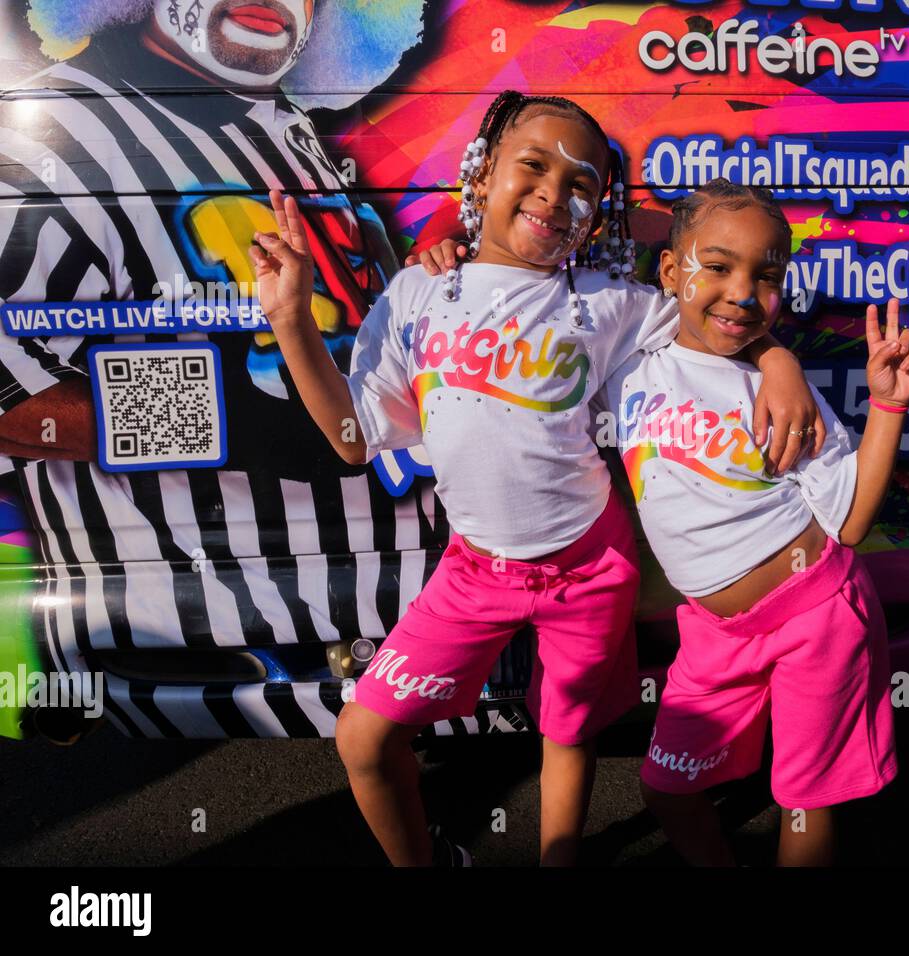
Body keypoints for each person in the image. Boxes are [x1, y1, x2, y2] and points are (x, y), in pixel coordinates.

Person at [250, 92, 825, 866]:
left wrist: (779, 359)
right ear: (483, 174)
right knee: (363, 737)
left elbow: (718, 304)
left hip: (591, 569)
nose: (555, 193)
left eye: (581, 184)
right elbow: (354, 442)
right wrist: (291, 320)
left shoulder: (609, 305)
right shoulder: (419, 294)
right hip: (473, 573)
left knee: (567, 732)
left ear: (597, 216)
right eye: (533, 166)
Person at [0, 0, 423, 737]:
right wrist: (233, 422)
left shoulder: (283, 127)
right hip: (194, 640)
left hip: (386, 622)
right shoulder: (46, 136)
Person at [611, 180, 909, 866]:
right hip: (714, 636)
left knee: (804, 802)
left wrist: (888, 406)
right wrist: (446, 244)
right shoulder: (626, 354)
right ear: (672, 270)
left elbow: (849, 523)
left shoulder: (783, 394)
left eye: (767, 276)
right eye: (718, 266)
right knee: (667, 789)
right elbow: (603, 228)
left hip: (819, 618)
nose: (744, 293)